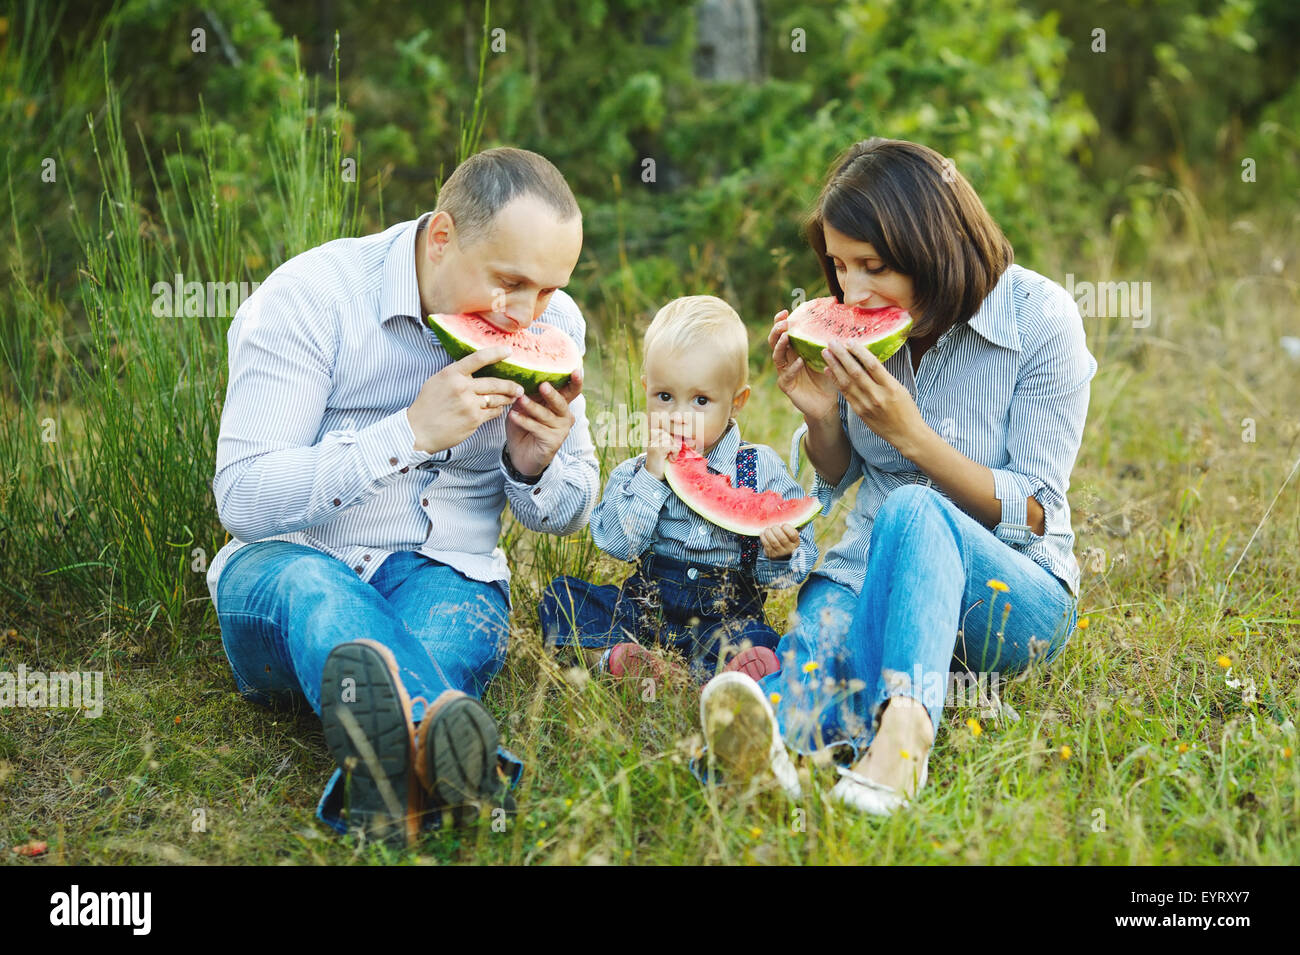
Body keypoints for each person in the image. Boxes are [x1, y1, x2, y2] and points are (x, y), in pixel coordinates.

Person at [206, 147, 599, 847]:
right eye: (509, 283)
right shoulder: (309, 298)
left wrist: (533, 463)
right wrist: (406, 433)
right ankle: (466, 771)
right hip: (288, 569)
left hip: (448, 572)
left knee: (428, 660)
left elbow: (569, 512)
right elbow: (242, 496)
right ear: (443, 236)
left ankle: (395, 789)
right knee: (319, 592)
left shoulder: (554, 322)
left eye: (548, 289)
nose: (526, 314)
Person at [700, 137, 1097, 814]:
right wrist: (823, 416)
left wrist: (912, 434)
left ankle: (906, 733)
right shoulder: (863, 327)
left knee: (913, 508)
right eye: (838, 268)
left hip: (1011, 592)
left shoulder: (1041, 317)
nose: (852, 291)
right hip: (865, 573)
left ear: (932, 245)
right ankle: (771, 751)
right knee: (816, 663)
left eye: (874, 266)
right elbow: (844, 470)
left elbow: (1035, 510)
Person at [539, 295, 818, 685]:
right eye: (664, 397)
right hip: (644, 613)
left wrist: (782, 552)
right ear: (645, 389)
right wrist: (652, 480)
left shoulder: (758, 468)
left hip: (725, 621)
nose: (679, 417)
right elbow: (618, 545)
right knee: (562, 598)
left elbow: (786, 576)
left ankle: (735, 674)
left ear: (736, 403)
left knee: (756, 641)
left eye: (701, 400)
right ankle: (621, 659)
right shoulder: (635, 472)